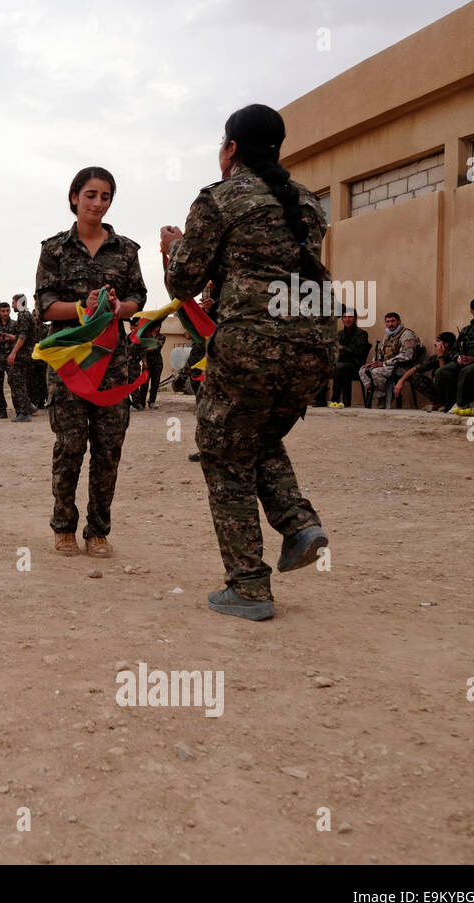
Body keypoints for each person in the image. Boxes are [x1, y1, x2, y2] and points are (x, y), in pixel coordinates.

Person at [162, 104, 334, 621]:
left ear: (230, 148)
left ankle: (249, 587)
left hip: (254, 346)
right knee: (255, 439)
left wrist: (172, 249)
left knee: (224, 454)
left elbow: (183, 283)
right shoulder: (307, 202)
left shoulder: (220, 198)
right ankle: (299, 524)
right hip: (316, 346)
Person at [36, 165, 147, 558]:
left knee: (108, 448)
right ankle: (63, 525)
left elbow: (139, 298)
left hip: (113, 364)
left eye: (105, 196)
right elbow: (45, 304)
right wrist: (82, 308)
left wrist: (118, 309)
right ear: (74, 198)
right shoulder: (54, 250)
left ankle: (98, 530)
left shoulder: (127, 250)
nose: (97, 203)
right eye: (90, 195)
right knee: (69, 445)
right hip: (69, 364)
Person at [358, 312, 418, 409]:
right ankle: (380, 394)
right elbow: (381, 352)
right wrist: (373, 362)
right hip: (388, 365)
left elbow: (406, 356)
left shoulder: (407, 335)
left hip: (402, 367)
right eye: (388, 322)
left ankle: (383, 398)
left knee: (376, 372)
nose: (390, 324)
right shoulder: (388, 335)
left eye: (393, 321)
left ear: (399, 321)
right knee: (363, 370)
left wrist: (383, 363)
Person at [394, 331, 456, 411]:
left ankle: (445, 404)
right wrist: (400, 381)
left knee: (440, 375)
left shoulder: (454, 356)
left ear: (446, 344)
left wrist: (441, 356)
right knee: (414, 375)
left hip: (451, 392)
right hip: (439, 390)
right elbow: (414, 369)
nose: (435, 344)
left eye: (438, 341)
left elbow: (443, 375)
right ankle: (438, 403)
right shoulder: (435, 357)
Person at [327, 308, 369, 407]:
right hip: (340, 364)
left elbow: (359, 352)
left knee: (341, 367)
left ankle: (335, 399)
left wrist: (343, 348)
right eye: (345, 317)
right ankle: (318, 400)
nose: (347, 319)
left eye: (350, 317)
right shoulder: (339, 333)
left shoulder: (361, 333)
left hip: (355, 365)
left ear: (355, 319)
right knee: (322, 366)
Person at [16, 294, 49, 409]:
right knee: (31, 382)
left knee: (43, 382)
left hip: (42, 359)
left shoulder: (46, 328)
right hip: (32, 358)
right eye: (35, 314)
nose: (36, 316)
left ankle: (43, 402)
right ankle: (34, 402)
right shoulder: (31, 327)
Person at [0, 301, 18, 417]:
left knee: (14, 384)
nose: (5, 313)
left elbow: (21, 339)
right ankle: (2, 410)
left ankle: (19, 410)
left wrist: (11, 338)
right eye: (3, 311)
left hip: (10, 358)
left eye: (7, 311)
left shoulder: (15, 325)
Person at [130, 326, 165, 410]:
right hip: (147, 363)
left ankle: (151, 402)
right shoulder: (146, 336)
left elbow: (157, 348)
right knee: (144, 383)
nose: (157, 327)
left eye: (158, 325)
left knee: (155, 383)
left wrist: (144, 349)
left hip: (157, 363)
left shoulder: (162, 337)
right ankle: (142, 403)